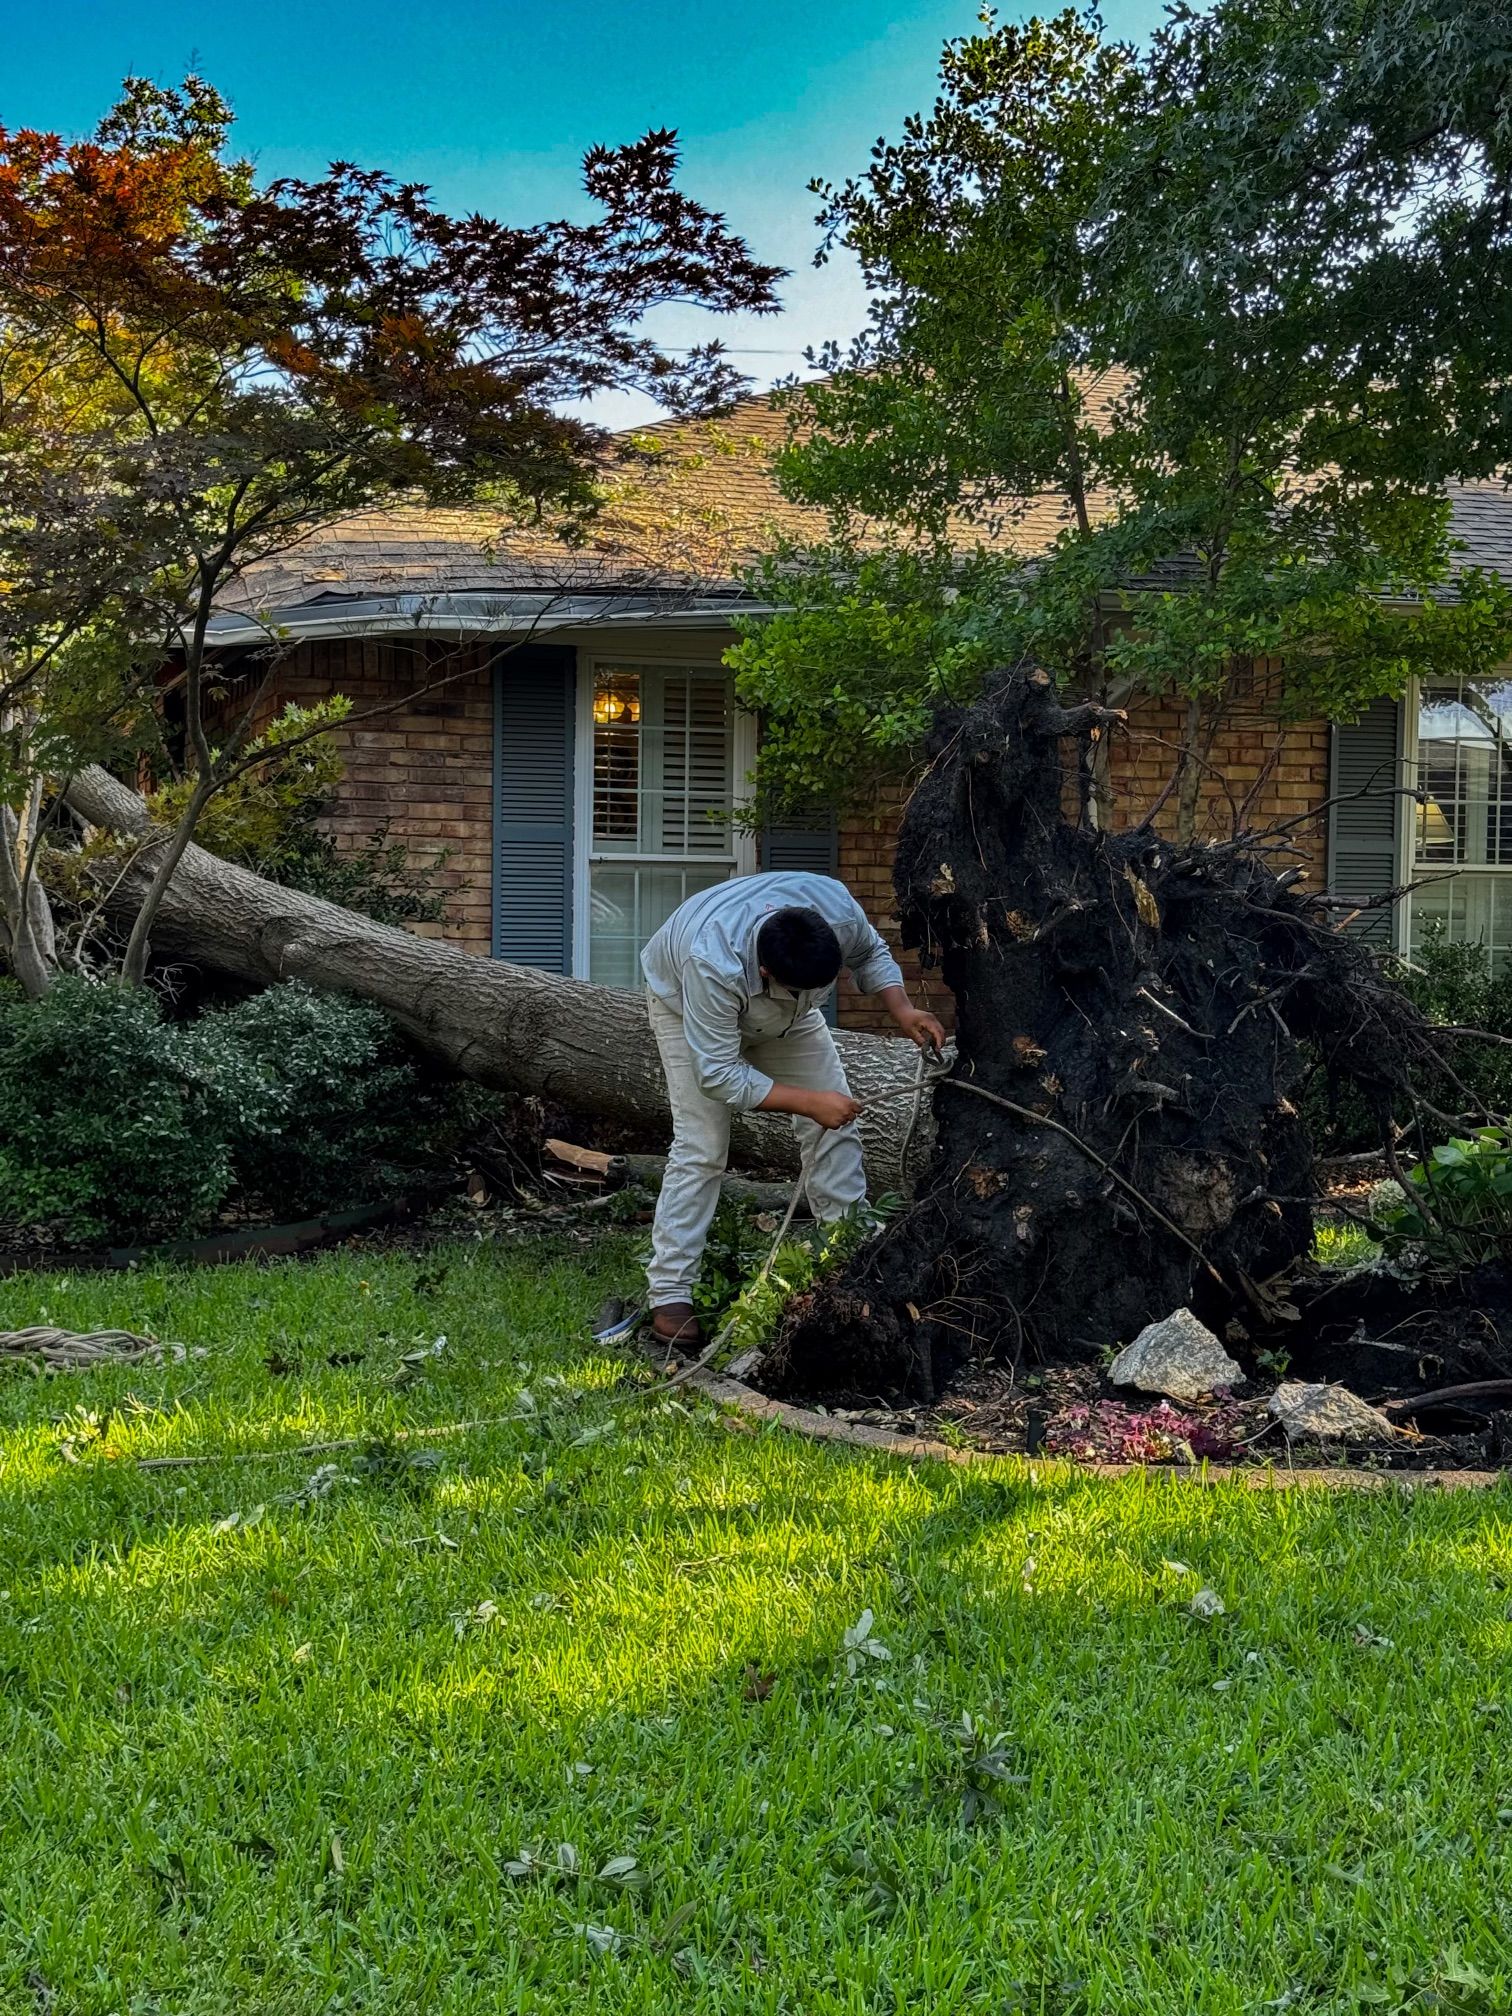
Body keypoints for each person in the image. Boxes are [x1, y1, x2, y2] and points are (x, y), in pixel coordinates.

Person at [640, 872, 946, 1348]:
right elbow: (718, 1076)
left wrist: (902, 1009)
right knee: (703, 1148)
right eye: (800, 988)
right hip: (684, 1006)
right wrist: (808, 1102)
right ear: (767, 971)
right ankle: (670, 1292)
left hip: (791, 1021)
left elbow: (871, 953)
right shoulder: (712, 962)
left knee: (837, 1128)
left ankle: (849, 1251)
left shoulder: (834, 909)